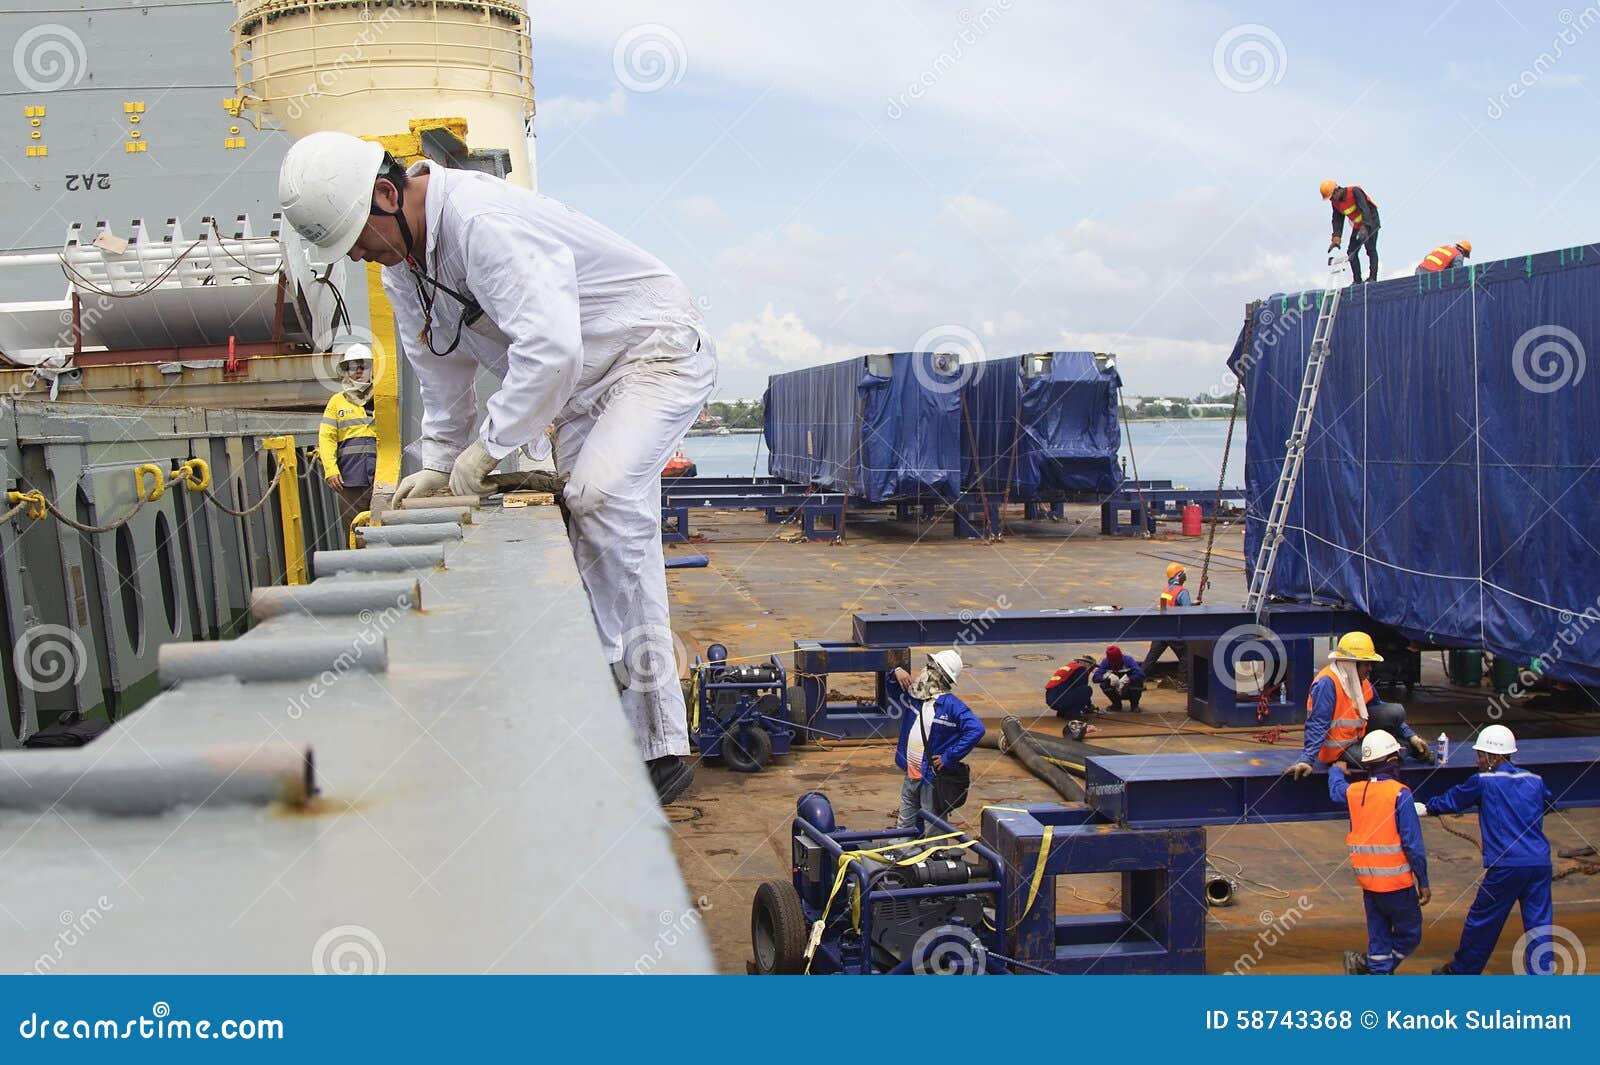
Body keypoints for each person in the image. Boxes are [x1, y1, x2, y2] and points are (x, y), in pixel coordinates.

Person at [279, 131, 717, 805]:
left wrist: (486, 451)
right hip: (580, 395)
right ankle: (655, 749)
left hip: (650, 352)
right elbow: (444, 386)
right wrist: (436, 467)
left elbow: (550, 348)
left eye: (360, 241)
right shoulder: (404, 270)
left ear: (389, 195)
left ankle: (611, 699)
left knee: (599, 496)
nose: (361, 257)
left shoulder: (482, 223)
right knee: (604, 528)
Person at [1420, 725, 1556, 975]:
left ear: (1493, 758)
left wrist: (1428, 807)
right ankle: (1542, 977)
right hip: (1539, 864)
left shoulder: (1483, 782)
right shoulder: (1535, 780)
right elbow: (1548, 803)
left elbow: (1453, 800)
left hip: (1506, 867)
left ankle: (1463, 972)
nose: (1478, 761)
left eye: (1481, 755)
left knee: (1483, 921)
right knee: (1539, 925)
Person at [1329, 731, 1430, 975]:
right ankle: (1370, 966)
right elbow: (1413, 845)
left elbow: (1336, 790)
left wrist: (1335, 769)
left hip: (1369, 883)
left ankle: (1377, 970)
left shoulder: (1357, 792)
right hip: (1397, 884)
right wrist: (1423, 881)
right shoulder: (1399, 794)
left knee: (1379, 935)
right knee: (1410, 934)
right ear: (1392, 760)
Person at [1284, 632, 1431, 780]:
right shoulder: (1327, 683)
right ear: (1351, 664)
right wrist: (1307, 760)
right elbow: (1318, 724)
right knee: (1383, 759)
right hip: (1338, 751)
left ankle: (1406, 745)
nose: (1370, 669)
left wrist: (1411, 736)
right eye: (1366, 664)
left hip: (1357, 736)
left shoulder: (1362, 682)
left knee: (1395, 712)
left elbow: (1384, 713)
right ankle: (1407, 749)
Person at [889, 650, 984, 829]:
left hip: (930, 778)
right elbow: (894, 692)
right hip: (911, 773)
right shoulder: (916, 698)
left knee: (933, 825)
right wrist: (895, 673)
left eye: (931, 667)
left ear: (941, 676)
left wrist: (949, 757)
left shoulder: (951, 706)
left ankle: (936, 855)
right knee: (905, 820)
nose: (925, 670)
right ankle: (905, 852)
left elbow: (976, 729)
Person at [317, 345, 379, 538]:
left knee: (386, 528)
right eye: (353, 367)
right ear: (346, 371)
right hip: (349, 481)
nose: (358, 371)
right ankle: (359, 566)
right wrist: (330, 470)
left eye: (363, 366)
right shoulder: (337, 402)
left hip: (382, 478)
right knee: (355, 533)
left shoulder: (385, 397)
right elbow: (326, 438)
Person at [1319, 179, 1381, 283]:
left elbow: (1365, 209)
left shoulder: (1354, 191)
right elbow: (1337, 220)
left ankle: (1373, 278)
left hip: (1371, 221)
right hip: (1358, 225)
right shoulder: (1336, 203)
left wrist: (1365, 227)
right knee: (1352, 252)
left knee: (1370, 249)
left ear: (1337, 191)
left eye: (1331, 197)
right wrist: (1336, 237)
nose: (1331, 200)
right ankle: (1357, 281)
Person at [1141, 563, 1190, 672]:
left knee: (1151, 658)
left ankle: (1137, 680)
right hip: (1173, 630)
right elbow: (1188, 612)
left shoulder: (1167, 589)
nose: (1185, 576)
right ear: (1179, 576)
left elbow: (1169, 606)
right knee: (1186, 655)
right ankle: (1183, 682)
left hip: (1161, 629)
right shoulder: (1182, 592)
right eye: (1184, 574)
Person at [1045, 659, 1098, 740]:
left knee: (1071, 691)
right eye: (1091, 668)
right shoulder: (1081, 670)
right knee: (1087, 690)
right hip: (1059, 699)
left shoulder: (1070, 667)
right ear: (1088, 665)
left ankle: (1062, 712)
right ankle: (1074, 715)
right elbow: (1082, 690)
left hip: (1051, 698)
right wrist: (1089, 706)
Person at [1092, 645, 1145, 713]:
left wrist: (1129, 679)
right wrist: (1107, 676)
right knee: (1103, 685)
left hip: (1129, 687)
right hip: (1114, 688)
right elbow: (1095, 678)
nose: (1115, 663)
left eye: (1116, 660)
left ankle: (1134, 705)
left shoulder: (1128, 660)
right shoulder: (1105, 662)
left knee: (1138, 682)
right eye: (1112, 661)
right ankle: (1116, 704)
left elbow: (1141, 674)